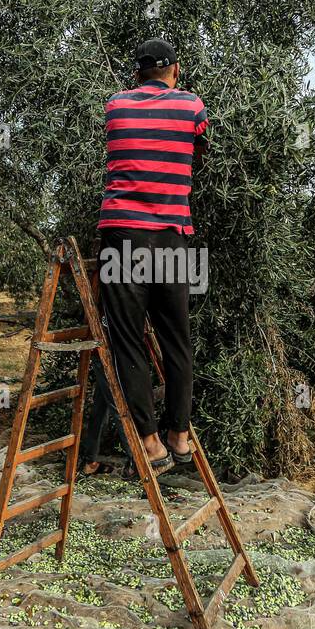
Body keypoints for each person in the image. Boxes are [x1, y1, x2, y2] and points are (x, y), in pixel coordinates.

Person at [97, 38, 208, 476]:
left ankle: (150, 443)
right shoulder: (192, 107)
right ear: (175, 70)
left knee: (128, 340)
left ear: (136, 73)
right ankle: (179, 435)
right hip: (172, 237)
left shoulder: (115, 106)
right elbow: (197, 151)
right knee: (176, 339)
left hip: (123, 235)